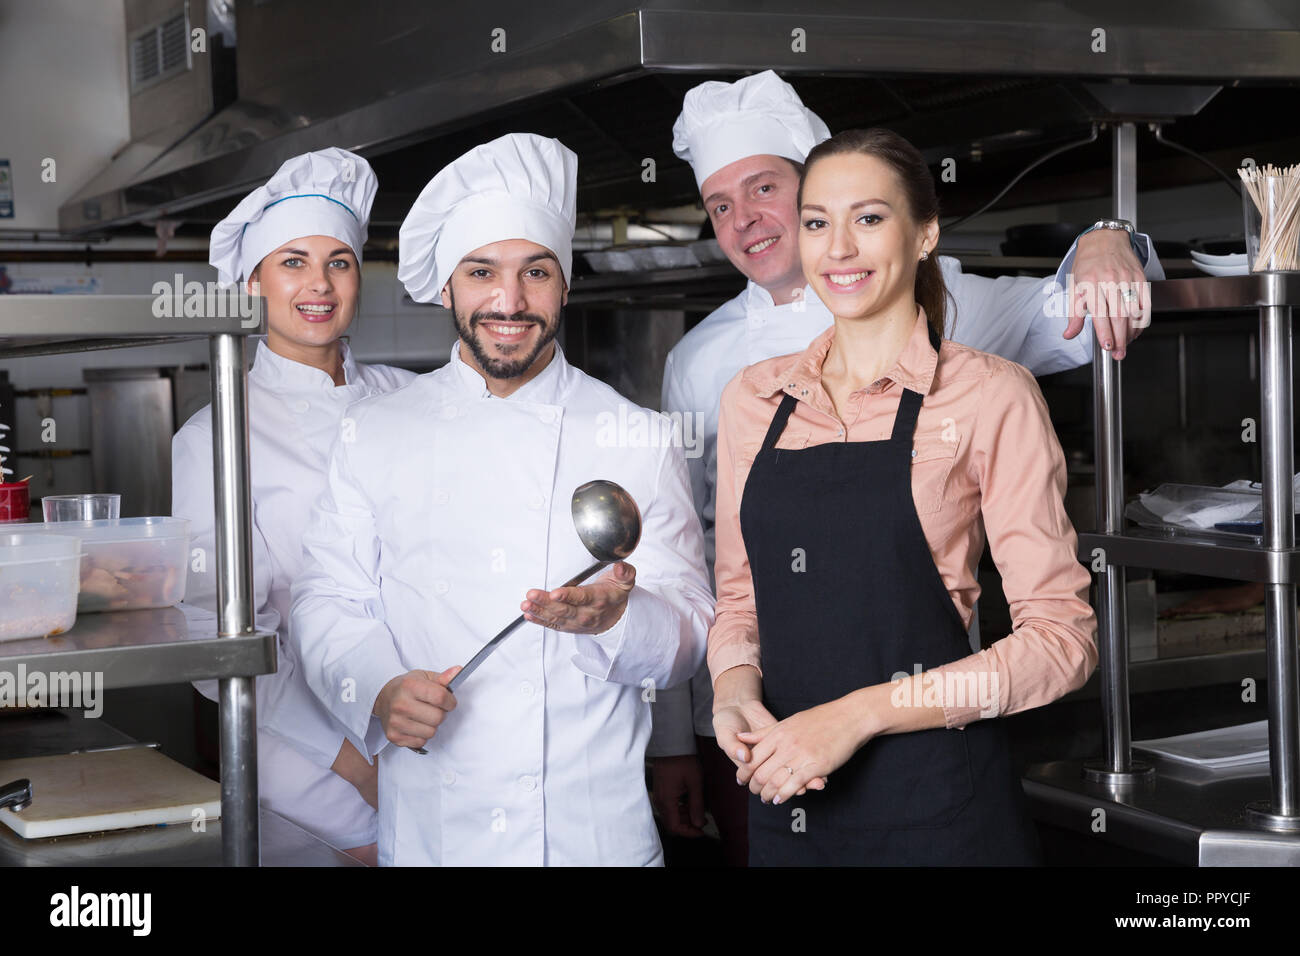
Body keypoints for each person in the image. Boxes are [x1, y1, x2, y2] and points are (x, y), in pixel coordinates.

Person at [650, 70, 1160, 862]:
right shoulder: (745, 394)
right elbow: (739, 595)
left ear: (924, 234)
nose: (837, 247)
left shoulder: (990, 389)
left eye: (868, 217)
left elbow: (1062, 643)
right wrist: (731, 692)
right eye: (820, 222)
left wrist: (1107, 233)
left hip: (939, 796)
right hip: (788, 792)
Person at [290, 132, 714, 866]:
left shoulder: (636, 435)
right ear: (448, 285)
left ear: (567, 285)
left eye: (536, 273)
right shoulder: (377, 430)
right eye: (482, 271)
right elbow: (327, 599)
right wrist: (380, 688)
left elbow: (688, 637)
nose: (509, 301)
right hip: (433, 834)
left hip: (592, 840)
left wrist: (621, 620)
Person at [173, 148, 415, 866]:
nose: (319, 283)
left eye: (339, 262)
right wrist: (360, 765)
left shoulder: (414, 402)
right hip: (309, 768)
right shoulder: (216, 435)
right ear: (251, 282)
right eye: (293, 262)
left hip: (436, 735)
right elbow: (216, 639)